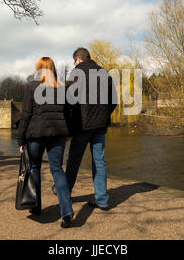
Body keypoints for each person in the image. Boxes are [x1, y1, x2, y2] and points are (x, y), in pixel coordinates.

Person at [53, 47, 117, 210]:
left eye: (75, 62)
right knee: (99, 161)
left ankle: (65, 193)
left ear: (78, 60)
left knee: (74, 160)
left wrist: (69, 129)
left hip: (82, 125)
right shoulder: (104, 73)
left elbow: (70, 105)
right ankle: (102, 199)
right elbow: (114, 100)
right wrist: (104, 114)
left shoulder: (76, 74)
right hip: (100, 126)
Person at [17, 57, 74, 228]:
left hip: (36, 133)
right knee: (57, 169)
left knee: (35, 168)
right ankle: (67, 212)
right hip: (58, 134)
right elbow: (70, 113)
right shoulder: (63, 87)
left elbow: (26, 114)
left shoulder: (31, 86)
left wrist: (21, 138)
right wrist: (69, 132)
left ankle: (35, 206)